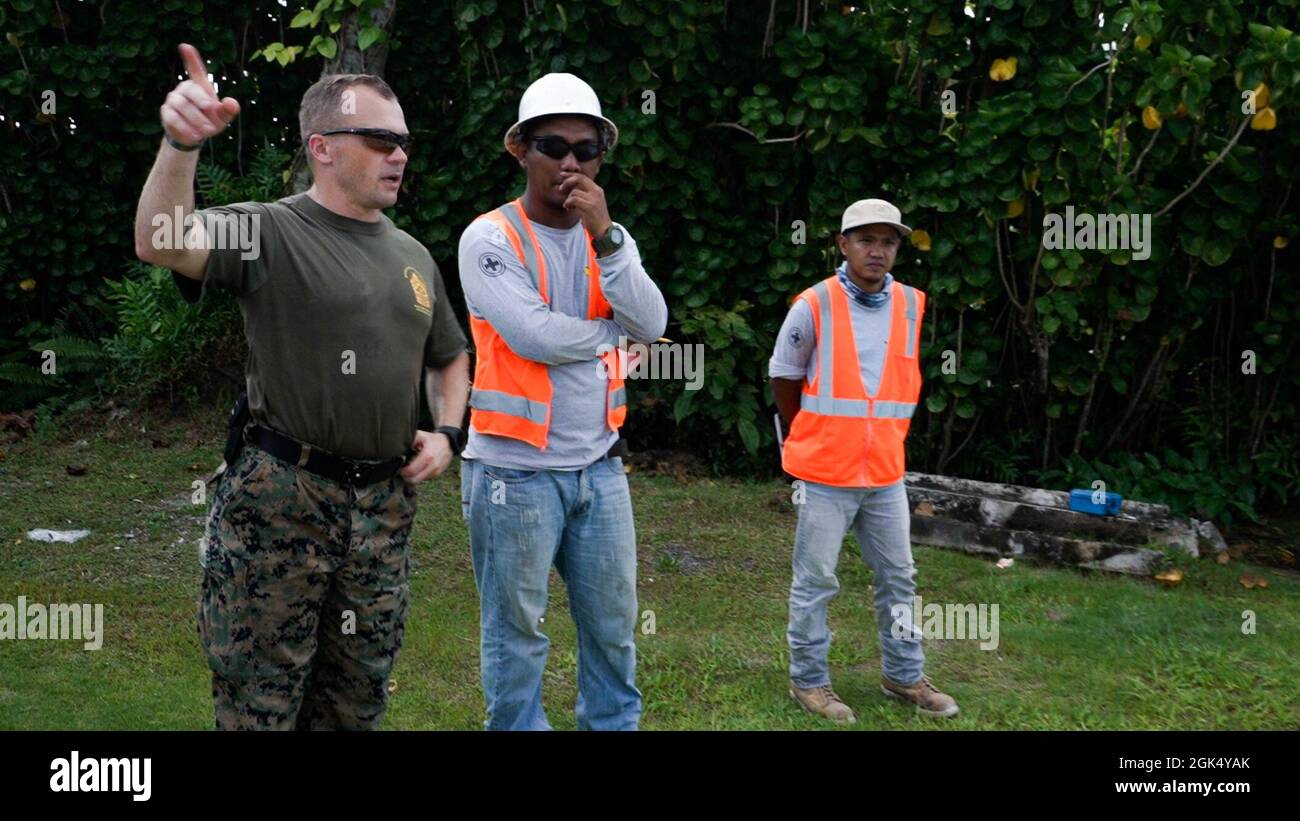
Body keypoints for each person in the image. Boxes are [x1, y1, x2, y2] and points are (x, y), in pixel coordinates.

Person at [133, 43, 470, 729]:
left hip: (381, 512)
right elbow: (162, 240)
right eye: (380, 140)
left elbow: (450, 356)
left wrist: (448, 431)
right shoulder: (272, 230)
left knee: (355, 703)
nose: (399, 154)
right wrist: (180, 143)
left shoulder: (412, 255)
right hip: (281, 507)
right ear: (321, 146)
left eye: (403, 140)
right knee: (261, 705)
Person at [457, 72, 668, 730]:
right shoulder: (489, 238)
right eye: (553, 145)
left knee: (613, 628)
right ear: (521, 150)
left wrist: (606, 238)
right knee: (517, 635)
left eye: (587, 148)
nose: (572, 161)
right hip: (511, 471)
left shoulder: (611, 239)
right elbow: (534, 335)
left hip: (599, 467)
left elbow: (653, 322)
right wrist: (614, 337)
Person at [769, 198, 958, 722]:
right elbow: (784, 375)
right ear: (843, 244)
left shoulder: (911, 305)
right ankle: (809, 682)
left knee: (899, 576)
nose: (878, 251)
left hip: (884, 472)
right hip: (826, 471)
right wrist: (802, 438)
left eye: (889, 241)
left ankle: (903, 676)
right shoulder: (814, 304)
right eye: (867, 240)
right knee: (816, 580)